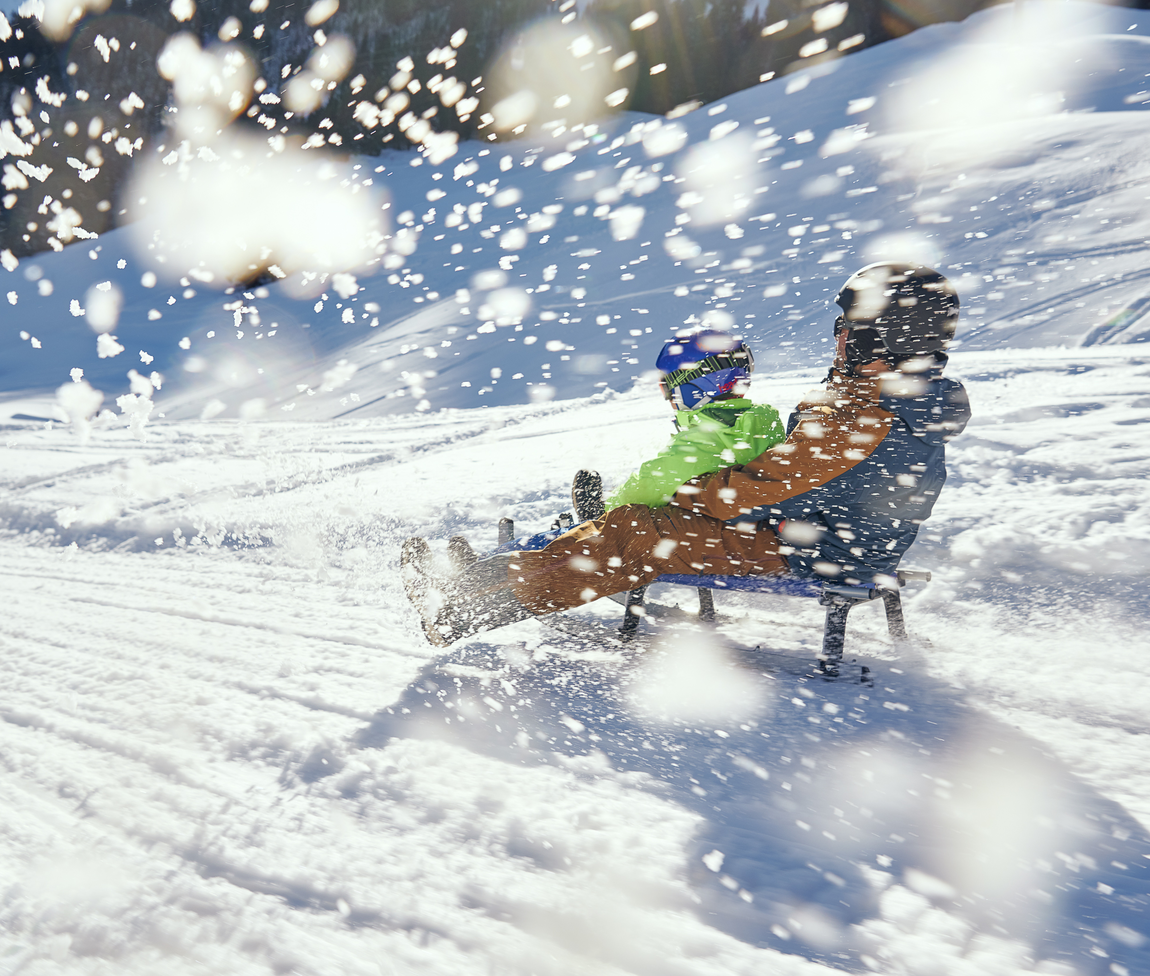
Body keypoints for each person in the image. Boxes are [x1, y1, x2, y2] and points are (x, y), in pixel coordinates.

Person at [402, 263, 971, 647]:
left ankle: (466, 607)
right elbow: (797, 483)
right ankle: (476, 583)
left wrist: (688, 491)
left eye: (847, 330)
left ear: (878, 340)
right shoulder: (902, 404)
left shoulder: (863, 414)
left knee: (637, 531)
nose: (838, 340)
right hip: (833, 542)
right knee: (638, 527)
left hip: (812, 551)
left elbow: (756, 489)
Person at [596, 329, 785, 514]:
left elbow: (640, 491)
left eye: (668, 389)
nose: (669, 398)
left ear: (691, 388)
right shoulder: (769, 425)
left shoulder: (694, 449)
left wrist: (603, 508)